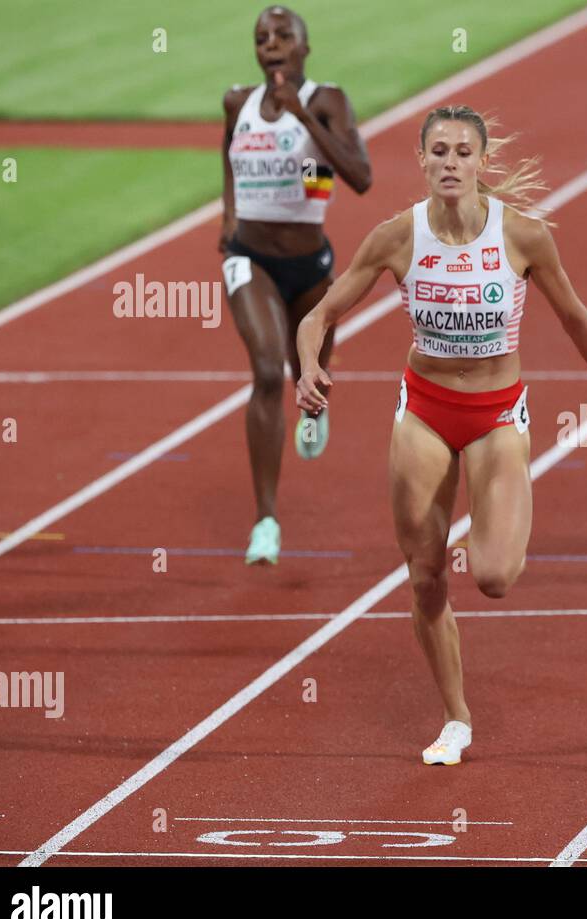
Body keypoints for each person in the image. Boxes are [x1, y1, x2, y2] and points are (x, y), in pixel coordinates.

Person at [296, 106, 587, 764]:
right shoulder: (398, 237)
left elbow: (575, 316)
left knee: (492, 576)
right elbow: (319, 315)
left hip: (495, 415)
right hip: (424, 411)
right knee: (425, 577)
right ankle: (455, 718)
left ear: (483, 162)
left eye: (463, 152)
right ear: (422, 162)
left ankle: (502, 516)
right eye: (439, 152)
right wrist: (309, 367)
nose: (451, 162)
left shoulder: (524, 237)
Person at [220, 5, 372, 565]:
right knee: (265, 372)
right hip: (249, 260)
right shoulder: (238, 102)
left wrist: (303, 120)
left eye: (284, 36)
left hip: (311, 268)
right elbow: (228, 152)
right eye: (263, 38)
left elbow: (359, 177)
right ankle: (265, 521)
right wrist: (229, 215)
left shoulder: (326, 102)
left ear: (305, 47)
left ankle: (314, 408)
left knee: (307, 374)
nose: (272, 44)